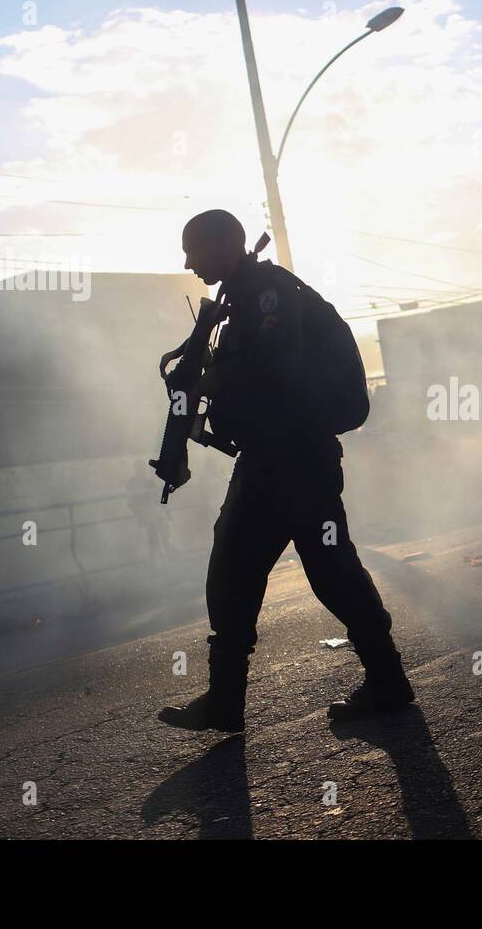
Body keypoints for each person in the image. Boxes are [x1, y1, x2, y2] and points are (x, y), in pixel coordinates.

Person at [157, 209, 414, 731]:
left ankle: (386, 679)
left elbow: (277, 374)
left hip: (295, 457)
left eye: (196, 249)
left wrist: (212, 385)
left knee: (329, 569)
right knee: (233, 569)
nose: (188, 262)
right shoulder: (239, 302)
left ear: (227, 244)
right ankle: (226, 701)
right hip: (268, 460)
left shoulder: (266, 294)